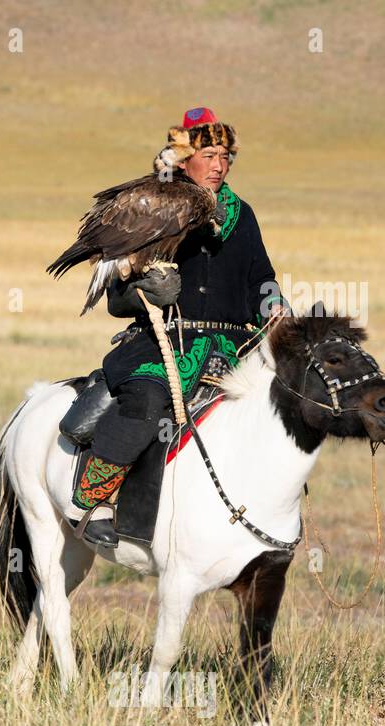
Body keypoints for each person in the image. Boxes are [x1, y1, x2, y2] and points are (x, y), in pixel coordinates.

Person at [76, 107, 289, 547]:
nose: (219, 164)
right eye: (209, 153)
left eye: (226, 155)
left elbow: (259, 280)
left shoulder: (242, 214)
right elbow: (117, 295)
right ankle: (95, 499)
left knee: (279, 410)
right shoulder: (159, 202)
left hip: (230, 350)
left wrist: (275, 306)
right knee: (148, 402)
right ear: (185, 157)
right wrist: (147, 293)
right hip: (160, 343)